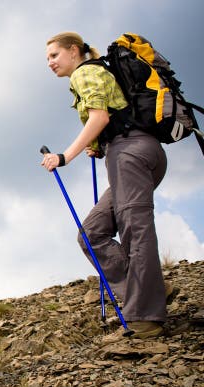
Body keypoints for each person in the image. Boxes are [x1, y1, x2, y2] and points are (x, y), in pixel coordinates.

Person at [41, 32, 168, 345]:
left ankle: (145, 320)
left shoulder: (87, 72)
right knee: (91, 233)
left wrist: (64, 157)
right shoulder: (93, 73)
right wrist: (99, 145)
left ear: (74, 51)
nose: (50, 63)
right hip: (128, 153)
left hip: (131, 156)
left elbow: (99, 116)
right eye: (47, 59)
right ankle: (152, 291)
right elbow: (108, 117)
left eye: (54, 55)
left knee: (134, 231)